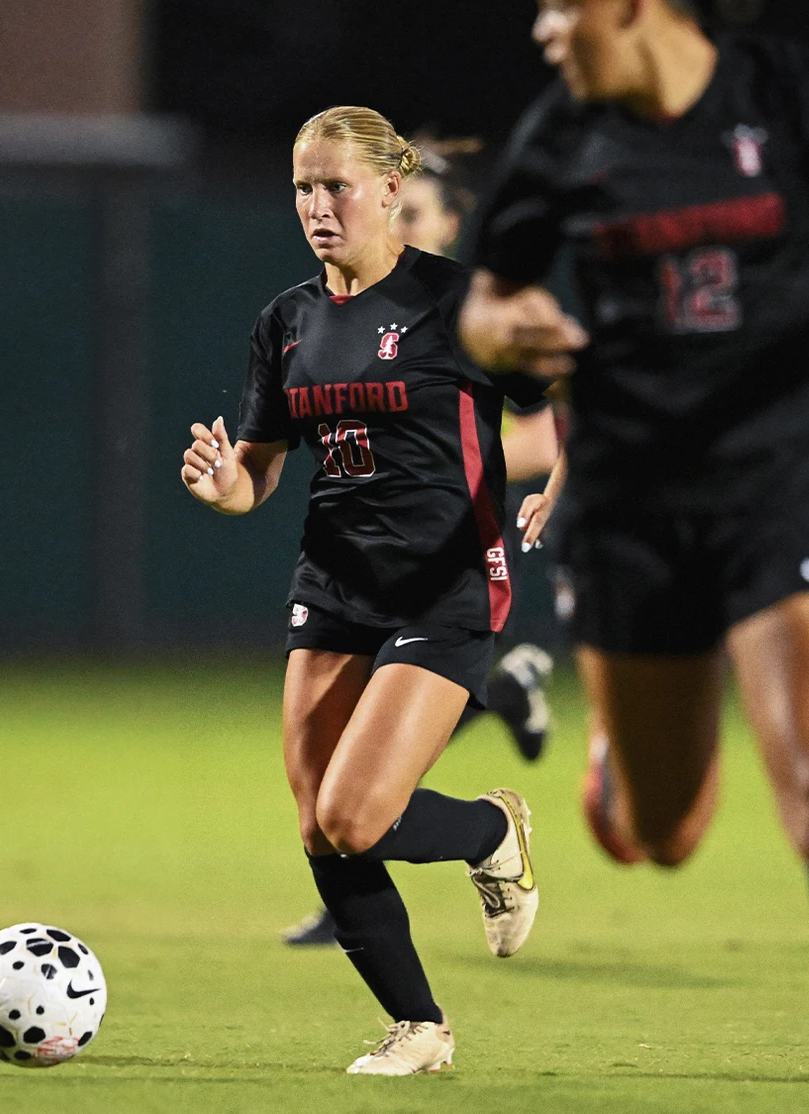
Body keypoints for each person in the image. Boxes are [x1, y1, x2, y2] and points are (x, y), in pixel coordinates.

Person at [461, 2, 809, 1111]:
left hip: (790, 477)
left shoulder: (787, 93)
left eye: (561, 4)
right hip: (632, 500)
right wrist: (507, 330)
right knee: (662, 834)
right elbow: (485, 302)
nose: (542, 26)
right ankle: (622, 769)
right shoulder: (562, 135)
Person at [181, 106, 548, 1076]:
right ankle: (419, 1026)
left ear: (392, 188)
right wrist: (229, 488)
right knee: (318, 822)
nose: (316, 205)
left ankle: (489, 828)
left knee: (355, 816)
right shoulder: (287, 320)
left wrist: (568, 481)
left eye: (335, 185)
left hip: (447, 582)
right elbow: (259, 471)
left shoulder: (460, 301)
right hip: (334, 580)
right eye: (302, 186)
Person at [281, 134, 560, 949]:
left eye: (423, 209)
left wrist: (439, 460)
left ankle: (472, 831)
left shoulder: (466, 309)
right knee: (333, 798)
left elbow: (549, 424)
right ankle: (499, 708)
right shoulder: (328, 316)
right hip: (353, 571)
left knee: (362, 789)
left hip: (451, 565)